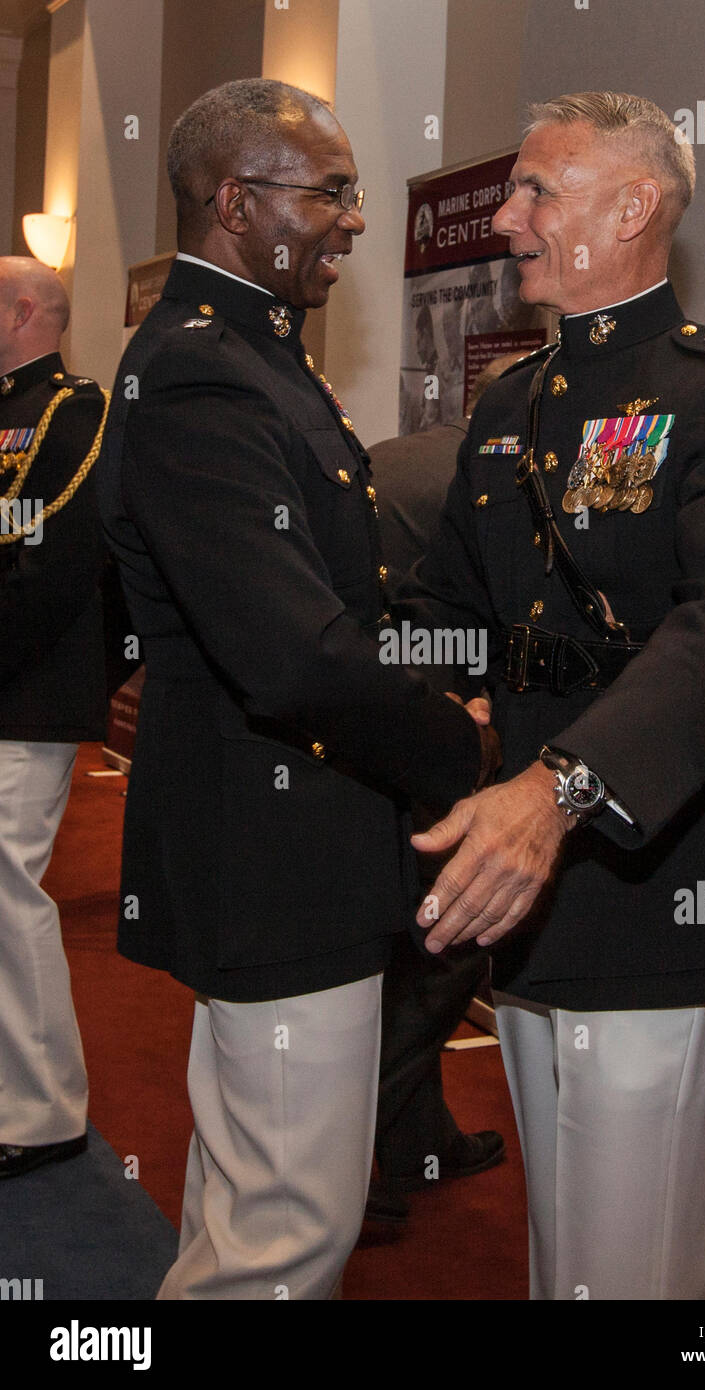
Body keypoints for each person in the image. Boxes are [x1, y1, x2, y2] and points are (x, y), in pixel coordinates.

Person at [398, 91, 705, 1300]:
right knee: (561, 1237)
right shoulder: (507, 404)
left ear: (633, 206)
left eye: (539, 188)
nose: (506, 212)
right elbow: (448, 619)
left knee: (627, 1250)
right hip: (521, 860)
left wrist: (566, 783)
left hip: (654, 860)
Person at [97, 79, 495, 1300]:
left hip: (282, 844)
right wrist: (467, 755)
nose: (355, 220)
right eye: (328, 192)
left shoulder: (250, 358)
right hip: (274, 858)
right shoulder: (209, 375)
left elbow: (344, 608)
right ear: (235, 204)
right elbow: (295, 653)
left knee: (242, 1209)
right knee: (287, 1235)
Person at [365, 354, 523, 1226]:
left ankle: (420, 1140)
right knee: (449, 942)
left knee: (409, 939)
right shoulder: (494, 473)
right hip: (425, 732)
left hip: (361, 730)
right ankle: (364, 1166)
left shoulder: (400, 452)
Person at [0, 257, 109, 1180]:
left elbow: (55, 572)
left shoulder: (76, 412)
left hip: (26, 688)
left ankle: (42, 1111)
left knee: (7, 892)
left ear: (25, 311)